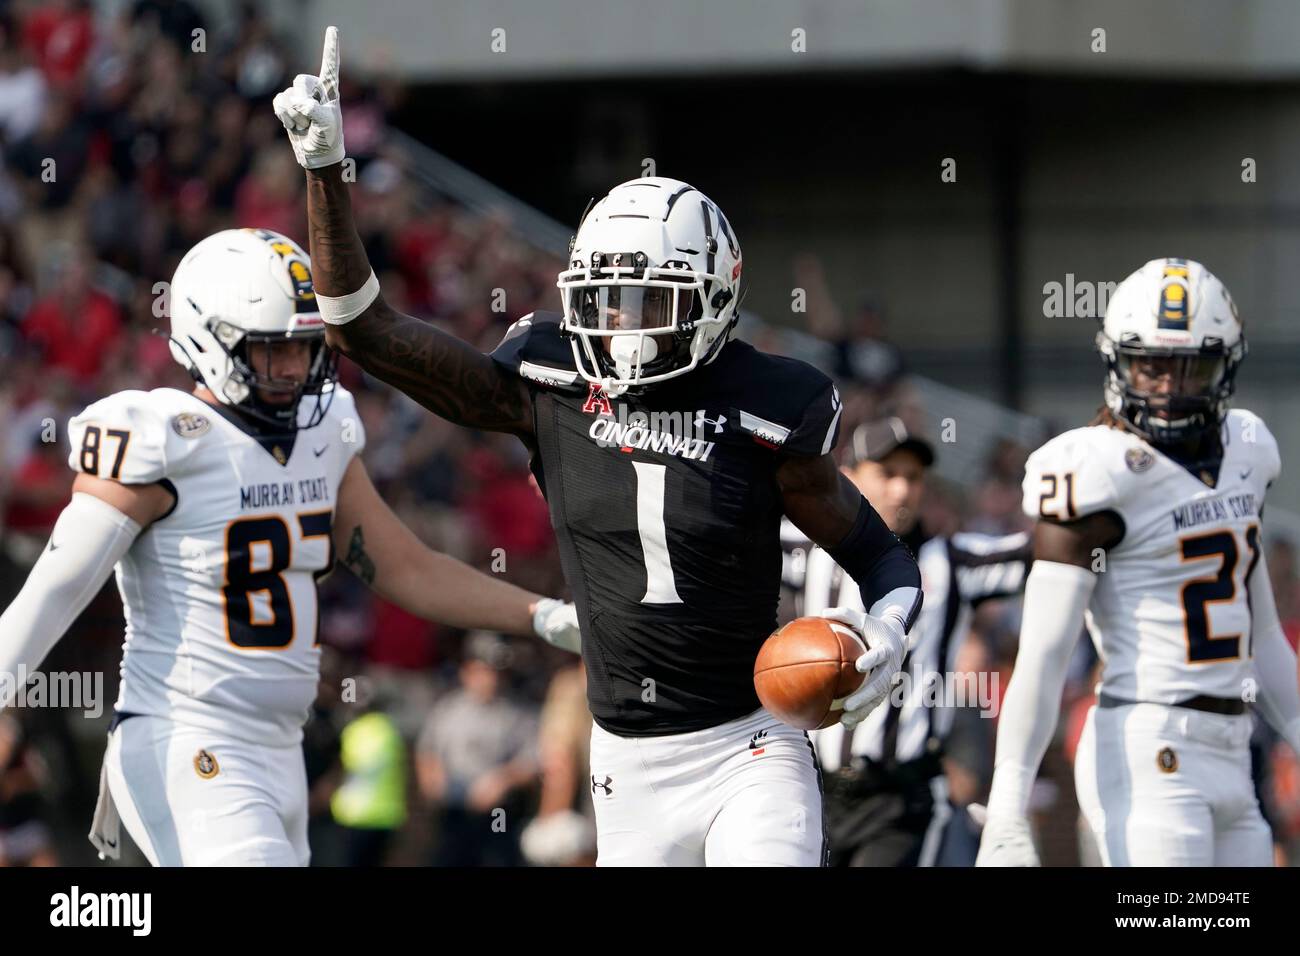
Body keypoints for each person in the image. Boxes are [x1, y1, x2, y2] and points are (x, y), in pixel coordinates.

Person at [272, 28, 923, 866]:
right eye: (605, 301)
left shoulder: (770, 404)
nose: (619, 330)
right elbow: (363, 330)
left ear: (713, 297)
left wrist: (890, 635)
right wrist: (326, 173)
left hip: (749, 748)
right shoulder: (547, 375)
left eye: (646, 303)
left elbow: (881, 556)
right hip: (625, 759)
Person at [0, 227, 581, 866]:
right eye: (269, 351)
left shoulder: (324, 428)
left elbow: (408, 566)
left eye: (303, 348)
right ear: (203, 335)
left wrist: (542, 616)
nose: (291, 369)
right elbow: (55, 586)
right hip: (189, 738)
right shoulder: (164, 438)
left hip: (282, 749)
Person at [978, 257, 1300, 866]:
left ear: (1225, 367)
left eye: (1191, 369)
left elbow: (1262, 639)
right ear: (1117, 361)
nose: (1170, 390)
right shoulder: (1096, 470)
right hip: (1150, 751)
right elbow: (1043, 658)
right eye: (1150, 366)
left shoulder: (1249, 449)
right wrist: (1007, 805)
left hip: (1236, 753)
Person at [784, 418, 1029, 866]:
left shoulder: (952, 562)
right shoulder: (801, 551)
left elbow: (1047, 553)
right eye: (888, 473)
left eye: (913, 478)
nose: (902, 490)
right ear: (849, 475)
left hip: (900, 798)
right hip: (810, 789)